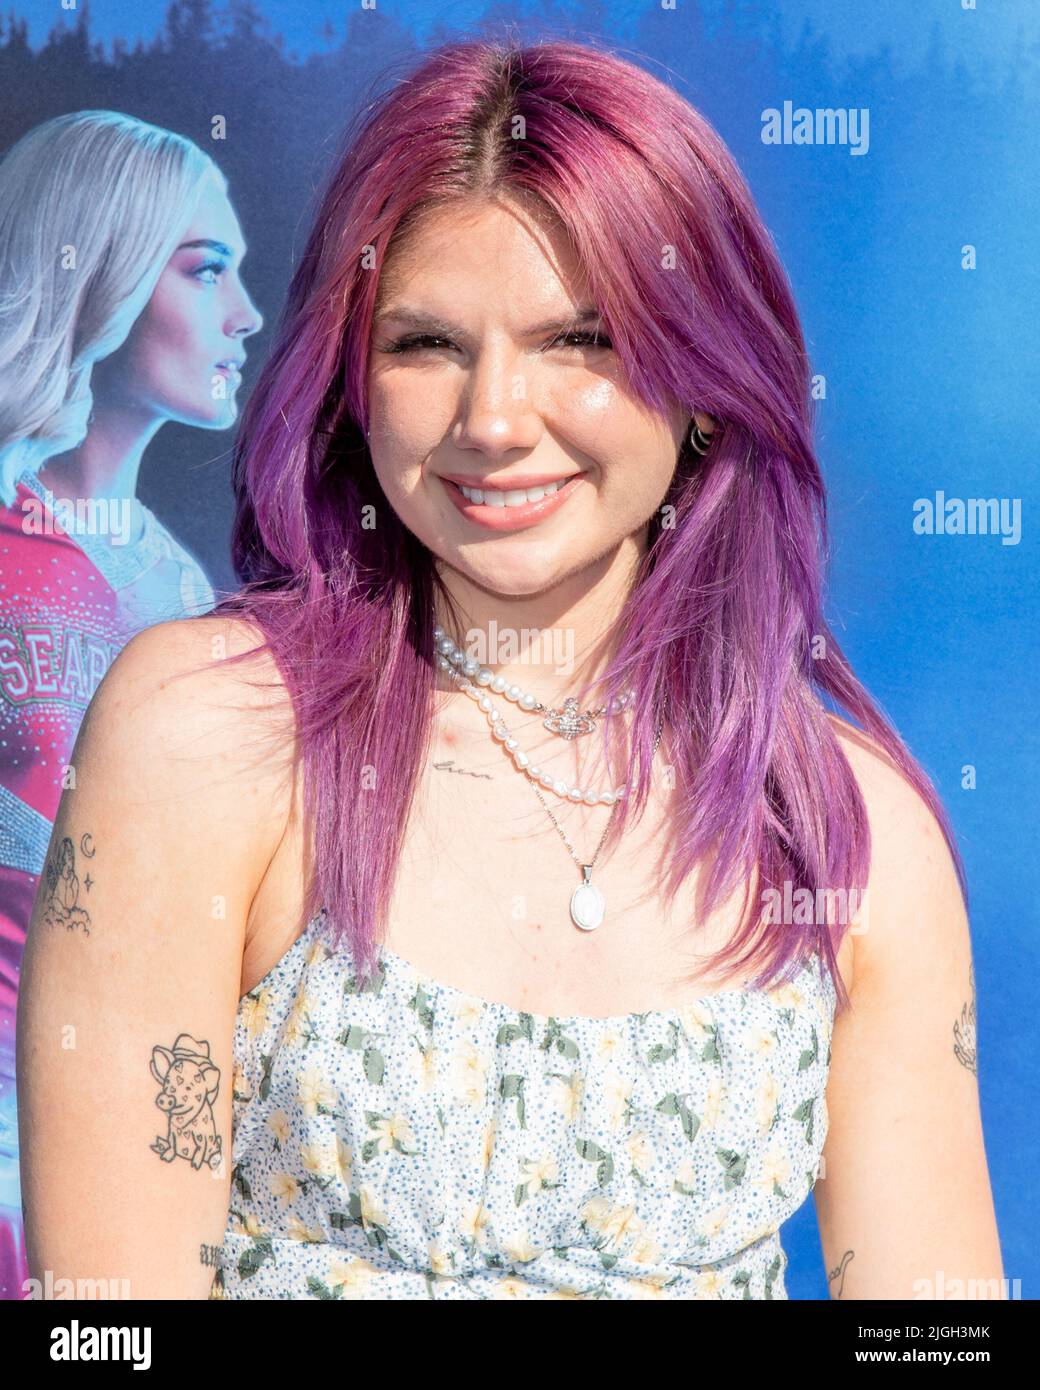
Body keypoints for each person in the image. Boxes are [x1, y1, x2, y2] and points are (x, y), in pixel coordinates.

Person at [17, 40, 1001, 1300]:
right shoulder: (204, 732)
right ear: (349, 384)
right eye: (426, 343)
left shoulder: (847, 834)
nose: (491, 417)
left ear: (703, 384)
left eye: (577, 340)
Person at [0, 110, 262, 1297]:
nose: (244, 317)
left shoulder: (181, 592)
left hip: (108, 1165)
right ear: (95, 268)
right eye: (207, 270)